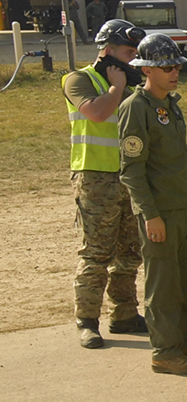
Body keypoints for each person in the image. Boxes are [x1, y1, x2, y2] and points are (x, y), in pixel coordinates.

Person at [118, 34, 187, 376]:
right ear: (146, 69)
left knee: (186, 278)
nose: (174, 72)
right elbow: (132, 170)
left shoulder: (169, 104)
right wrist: (150, 215)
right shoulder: (136, 107)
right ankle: (164, 350)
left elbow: (172, 164)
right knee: (162, 282)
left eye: (176, 65)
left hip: (179, 208)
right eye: (165, 67)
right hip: (158, 213)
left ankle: (183, 337)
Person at [66, 18, 147, 348]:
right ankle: (87, 320)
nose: (133, 59)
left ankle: (125, 313)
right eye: (129, 52)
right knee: (97, 252)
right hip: (95, 178)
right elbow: (96, 113)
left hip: (127, 176)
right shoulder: (78, 79)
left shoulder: (131, 87)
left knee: (130, 251)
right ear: (108, 51)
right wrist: (115, 88)